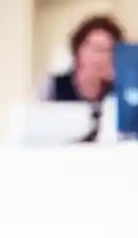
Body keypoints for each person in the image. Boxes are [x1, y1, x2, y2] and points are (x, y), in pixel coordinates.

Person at [41, 14, 124, 142]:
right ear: (78, 50)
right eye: (97, 49)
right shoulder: (55, 85)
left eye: (110, 50)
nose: (102, 57)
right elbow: (39, 127)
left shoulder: (121, 90)